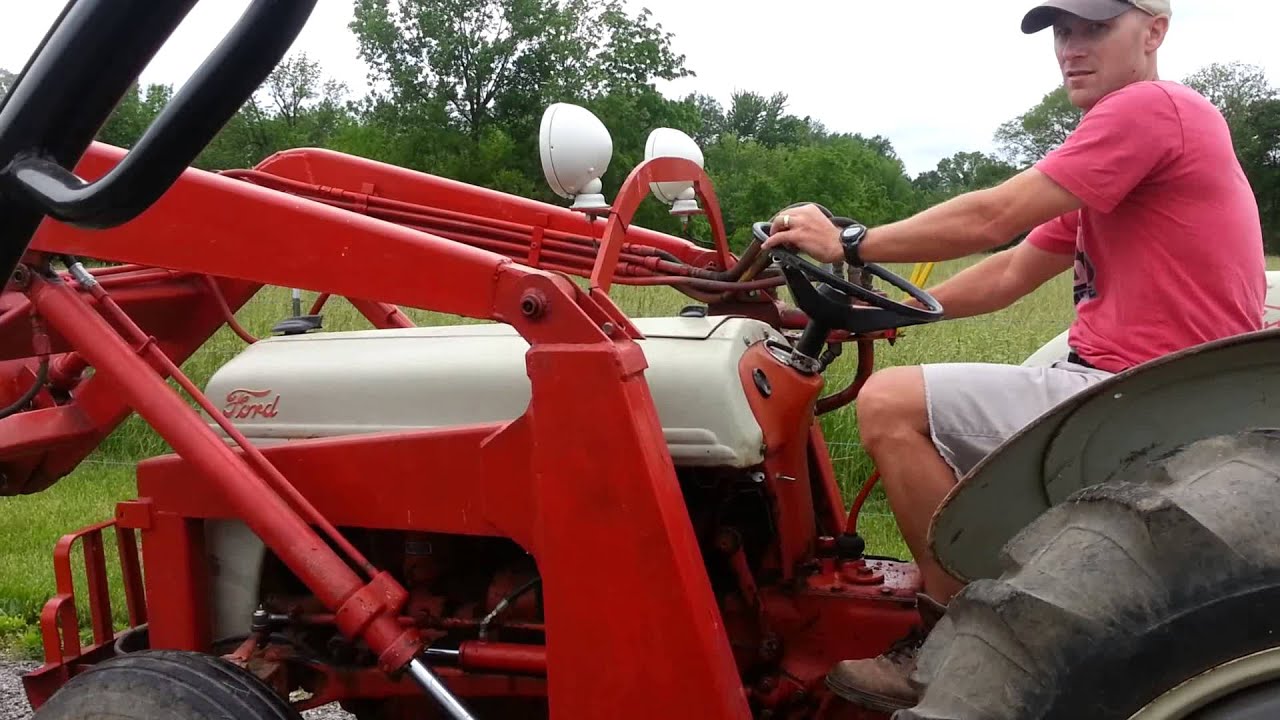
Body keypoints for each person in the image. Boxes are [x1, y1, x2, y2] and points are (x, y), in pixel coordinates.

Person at [762, 0, 1266, 712]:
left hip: (1144, 391)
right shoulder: (1121, 152)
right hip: (1118, 380)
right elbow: (1008, 272)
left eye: (1095, 27)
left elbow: (993, 216)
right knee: (918, 409)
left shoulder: (1151, 109)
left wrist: (848, 242)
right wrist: (877, 316)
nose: (1071, 47)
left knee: (889, 404)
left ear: (1154, 31)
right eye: (1062, 30)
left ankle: (950, 639)